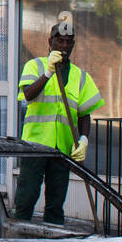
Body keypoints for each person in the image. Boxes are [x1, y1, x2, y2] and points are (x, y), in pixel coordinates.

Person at [14, 22, 105, 224]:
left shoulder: (80, 76)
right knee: (26, 197)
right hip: (35, 144)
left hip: (62, 148)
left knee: (56, 202)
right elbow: (27, 95)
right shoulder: (35, 66)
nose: (64, 46)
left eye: (68, 42)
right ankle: (16, 237)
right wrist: (47, 73)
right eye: (60, 41)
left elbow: (84, 114)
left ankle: (53, 241)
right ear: (50, 41)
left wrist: (83, 139)